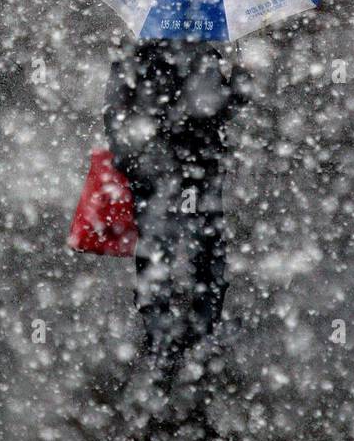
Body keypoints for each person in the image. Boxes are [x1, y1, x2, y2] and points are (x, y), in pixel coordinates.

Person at [103, 38, 248, 392]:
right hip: (193, 166)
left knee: (163, 249)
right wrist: (240, 74)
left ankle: (163, 336)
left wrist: (129, 158)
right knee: (201, 246)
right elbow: (227, 106)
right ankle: (195, 332)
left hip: (163, 167)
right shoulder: (205, 58)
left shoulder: (137, 55)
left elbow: (115, 109)